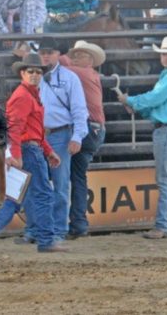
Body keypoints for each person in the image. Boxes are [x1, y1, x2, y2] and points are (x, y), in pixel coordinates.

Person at [0, 53, 65, 252]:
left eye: (38, 72)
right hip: (29, 151)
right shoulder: (24, 96)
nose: (35, 75)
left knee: (16, 198)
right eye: (31, 71)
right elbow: (15, 128)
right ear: (23, 73)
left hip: (29, 149)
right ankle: (46, 240)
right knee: (43, 195)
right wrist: (16, 154)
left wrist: (47, 150)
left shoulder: (27, 95)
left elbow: (29, 129)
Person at [116, 37, 167, 239]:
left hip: (166, 130)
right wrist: (139, 107)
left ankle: (163, 226)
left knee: (164, 179)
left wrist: (131, 100)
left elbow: (155, 99)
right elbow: (159, 103)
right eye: (164, 54)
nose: (165, 57)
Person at [37, 38, 88, 242]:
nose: (46, 55)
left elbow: (79, 110)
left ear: (59, 54)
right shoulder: (34, 76)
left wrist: (77, 136)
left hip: (59, 134)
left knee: (58, 184)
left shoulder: (70, 78)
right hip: (39, 136)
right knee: (41, 184)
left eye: (50, 51)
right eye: (43, 52)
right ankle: (41, 229)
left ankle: (57, 229)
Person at [58, 41, 107, 240]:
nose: (75, 58)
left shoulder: (80, 73)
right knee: (77, 177)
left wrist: (40, 54)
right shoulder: (90, 74)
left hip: (87, 129)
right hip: (93, 130)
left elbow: (59, 62)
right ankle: (78, 223)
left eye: (80, 55)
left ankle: (70, 223)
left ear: (90, 60)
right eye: (74, 54)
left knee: (65, 174)